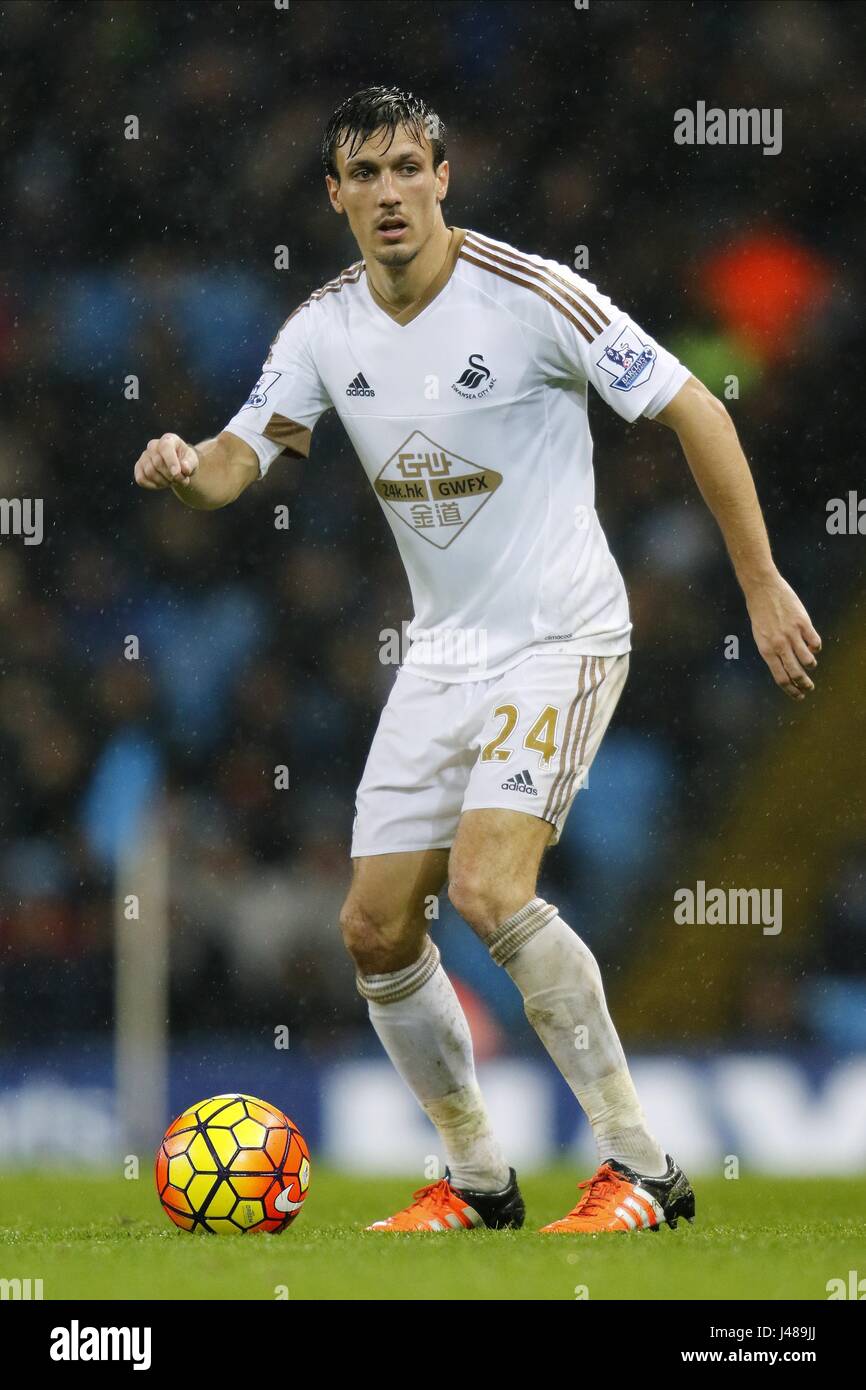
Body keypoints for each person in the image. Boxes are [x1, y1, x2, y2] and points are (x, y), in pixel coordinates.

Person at [134, 86, 821, 1235]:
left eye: (409, 166)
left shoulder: (531, 295)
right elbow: (232, 463)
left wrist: (758, 584)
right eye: (366, 174)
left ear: (443, 176)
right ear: (336, 195)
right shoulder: (321, 328)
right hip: (442, 650)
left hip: (561, 631)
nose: (390, 191)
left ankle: (643, 1167)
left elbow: (695, 406)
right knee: (370, 927)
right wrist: (179, 461)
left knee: (490, 888)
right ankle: (477, 1179)